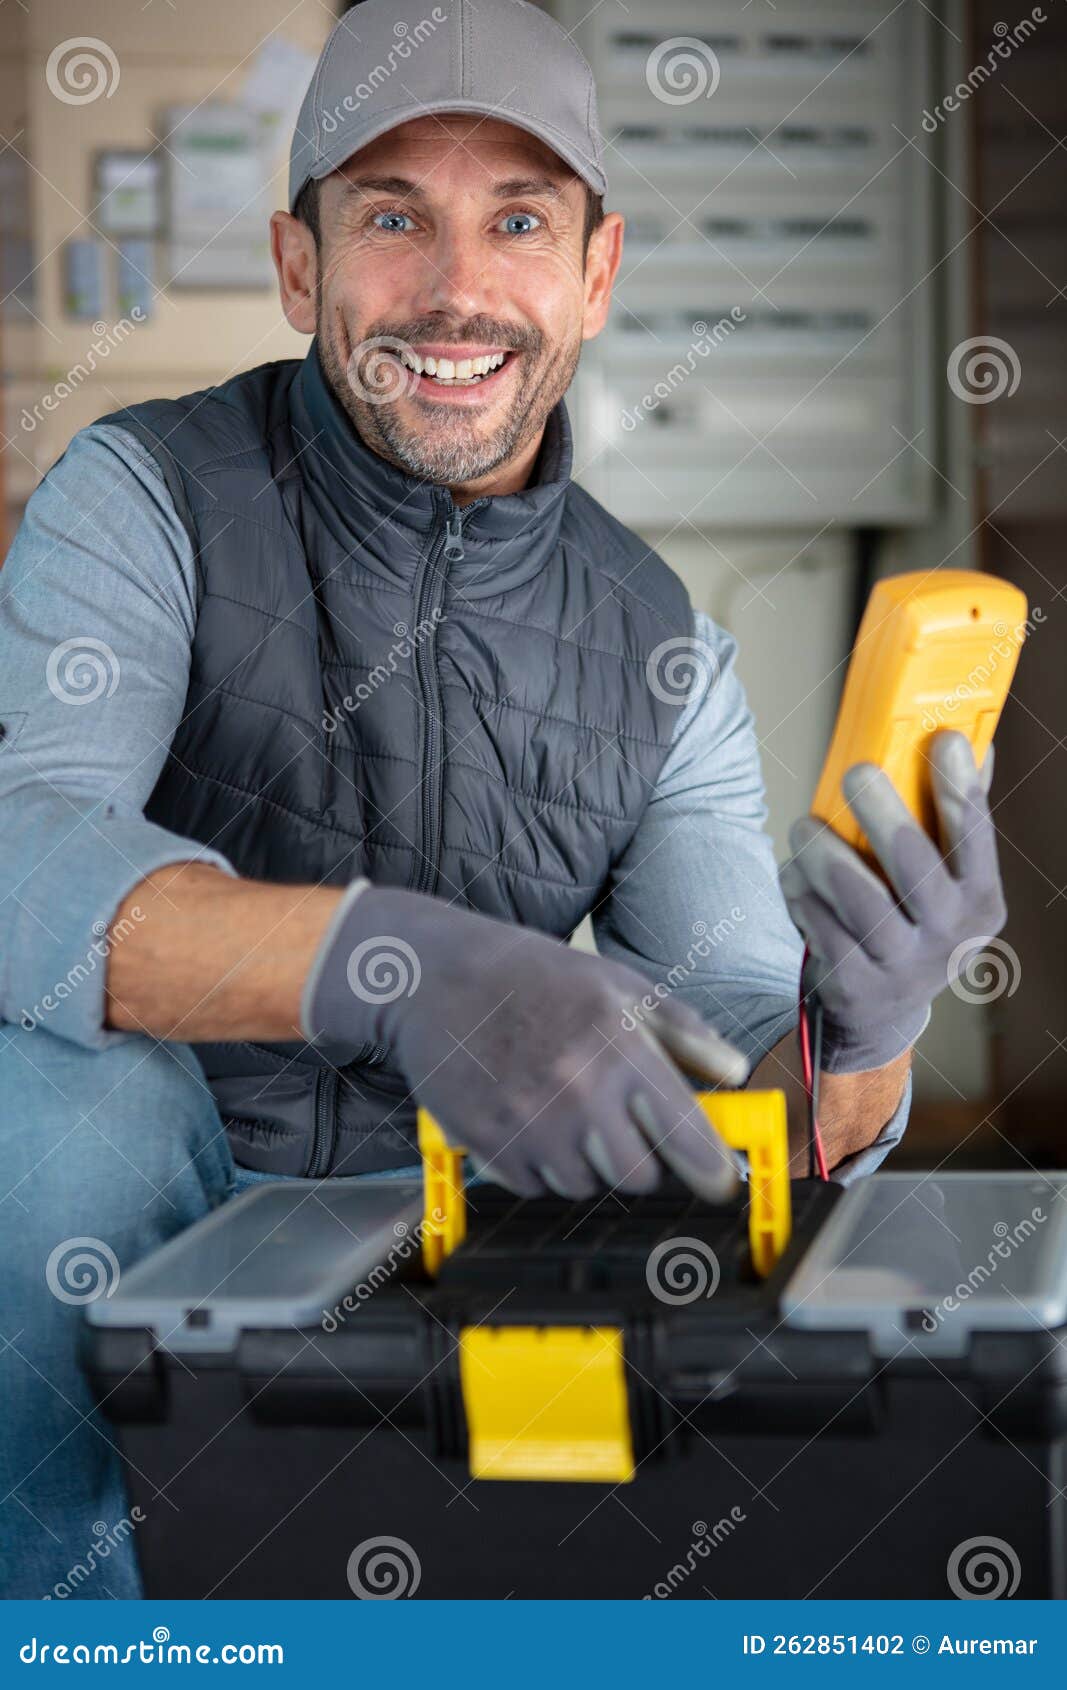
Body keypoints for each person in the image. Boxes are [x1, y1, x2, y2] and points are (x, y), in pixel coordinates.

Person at [0, 0, 1006, 1598]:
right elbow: (25, 860)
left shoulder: (664, 643)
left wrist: (857, 1037)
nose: (458, 289)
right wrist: (382, 958)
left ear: (596, 274)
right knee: (53, 1098)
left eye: (517, 221)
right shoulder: (141, 496)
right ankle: (74, 1627)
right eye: (392, 216)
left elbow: (752, 1078)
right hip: (163, 1229)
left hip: (483, 1249)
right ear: (298, 264)